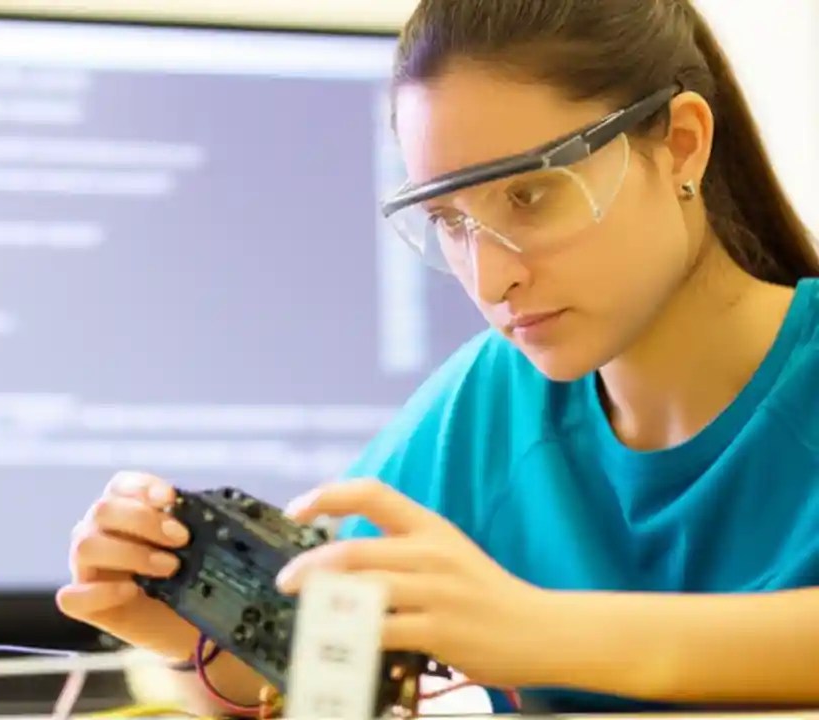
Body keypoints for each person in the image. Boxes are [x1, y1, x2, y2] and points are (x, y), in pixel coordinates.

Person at [55, 0, 819, 714]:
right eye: (450, 220)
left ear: (682, 144)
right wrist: (178, 621)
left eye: (531, 195)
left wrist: (541, 631)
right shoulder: (491, 401)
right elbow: (331, 668)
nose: (491, 278)